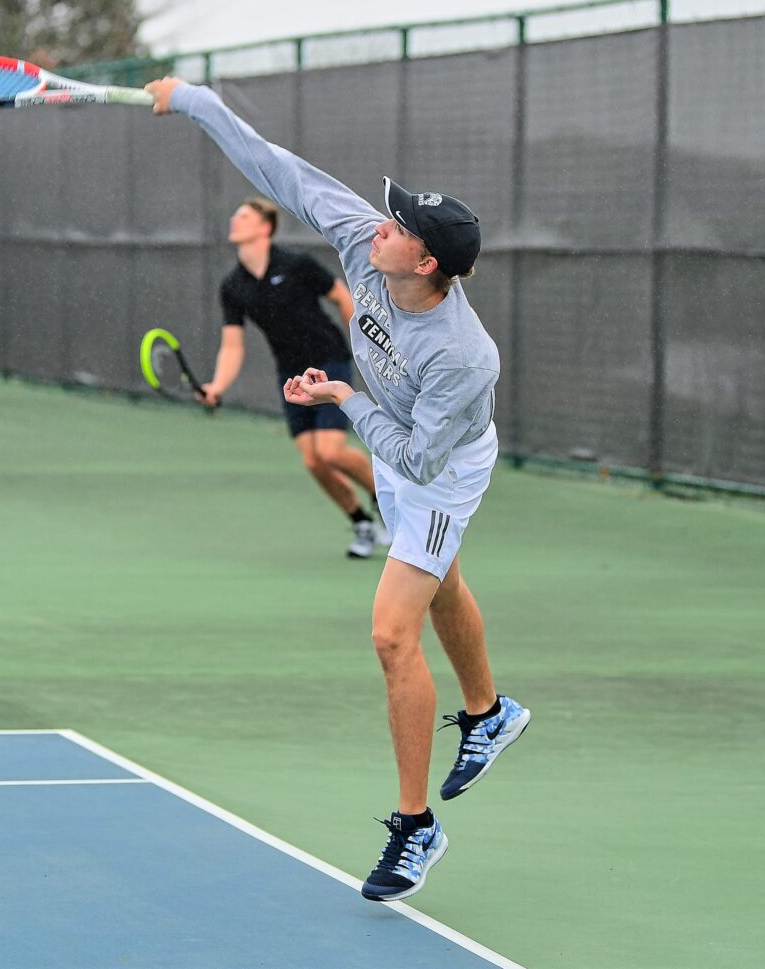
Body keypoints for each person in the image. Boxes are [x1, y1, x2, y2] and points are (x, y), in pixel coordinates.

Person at [146, 77, 530, 903]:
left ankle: (416, 827)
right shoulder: (364, 239)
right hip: (399, 442)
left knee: (392, 632)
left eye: (398, 227)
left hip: (443, 466)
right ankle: (490, 711)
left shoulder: (463, 356)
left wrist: (344, 397)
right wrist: (195, 100)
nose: (376, 224)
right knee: (443, 582)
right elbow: (276, 166)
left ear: (425, 262)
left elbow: (420, 463)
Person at [203, 195, 388, 558]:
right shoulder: (233, 286)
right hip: (290, 372)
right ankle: (361, 522)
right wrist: (217, 386)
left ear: (265, 227)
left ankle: (388, 500)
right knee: (313, 460)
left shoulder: (296, 263)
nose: (235, 220)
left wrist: (363, 343)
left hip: (328, 360)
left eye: (244, 215)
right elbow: (232, 346)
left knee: (331, 451)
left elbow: (341, 296)